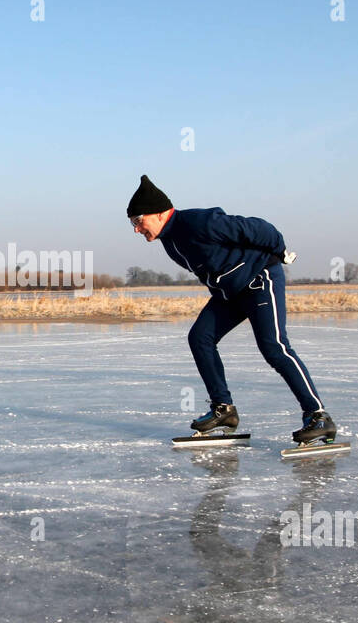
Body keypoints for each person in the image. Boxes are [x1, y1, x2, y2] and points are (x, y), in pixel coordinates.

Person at [127, 174, 337, 446]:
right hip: (230, 293)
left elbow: (258, 228)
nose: (136, 229)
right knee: (200, 338)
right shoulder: (170, 241)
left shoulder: (197, 222)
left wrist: (280, 250)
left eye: (137, 221)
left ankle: (318, 415)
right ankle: (223, 409)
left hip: (260, 278)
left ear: (158, 213)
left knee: (274, 347)